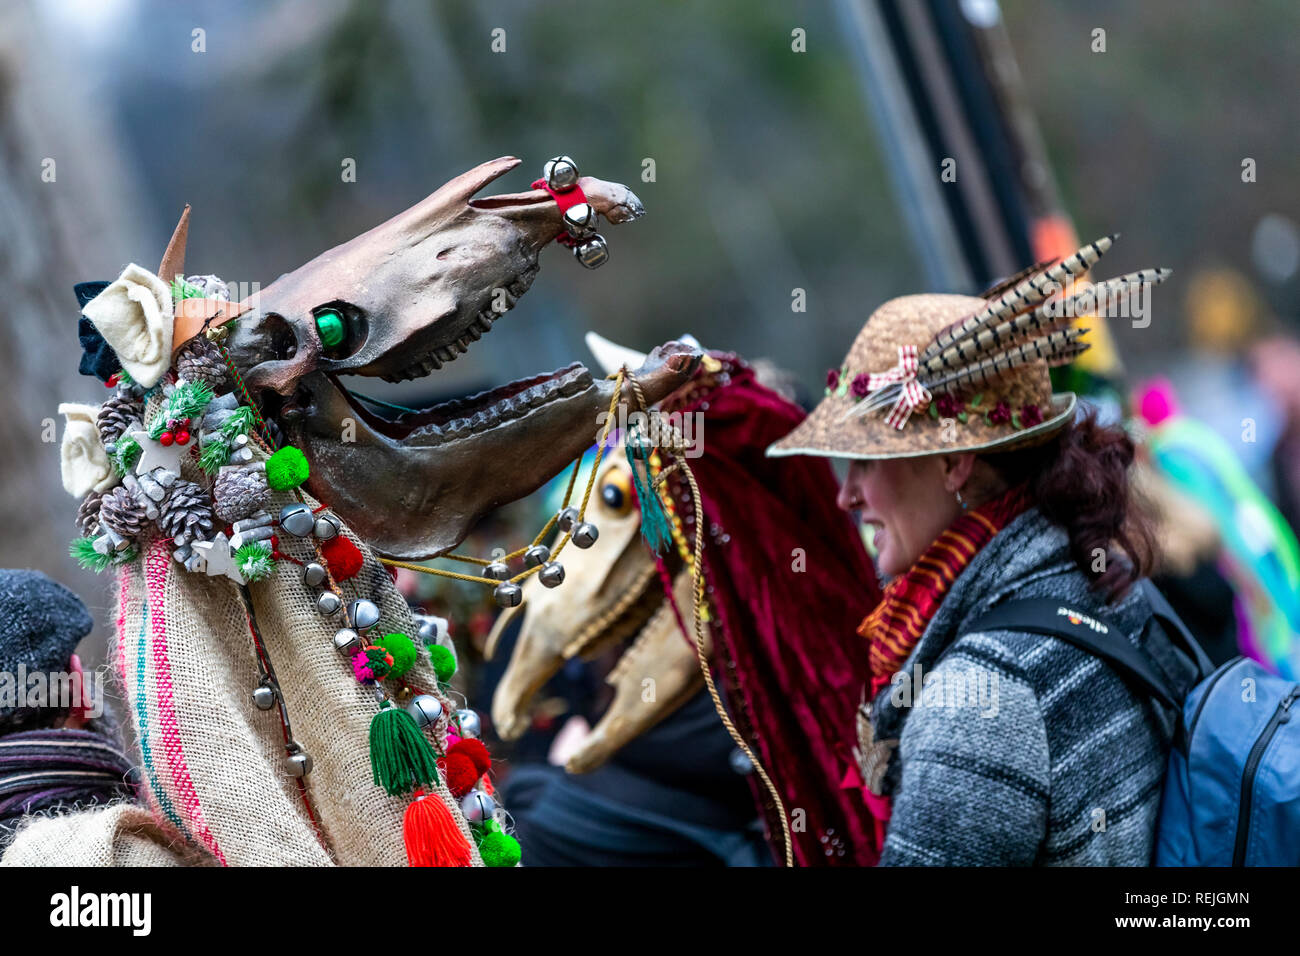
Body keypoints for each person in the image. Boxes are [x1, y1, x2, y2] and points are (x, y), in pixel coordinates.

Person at [767, 248, 1200, 865]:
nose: (846, 494)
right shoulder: (1100, 576)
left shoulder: (975, 699)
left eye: (867, 461)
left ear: (953, 463)